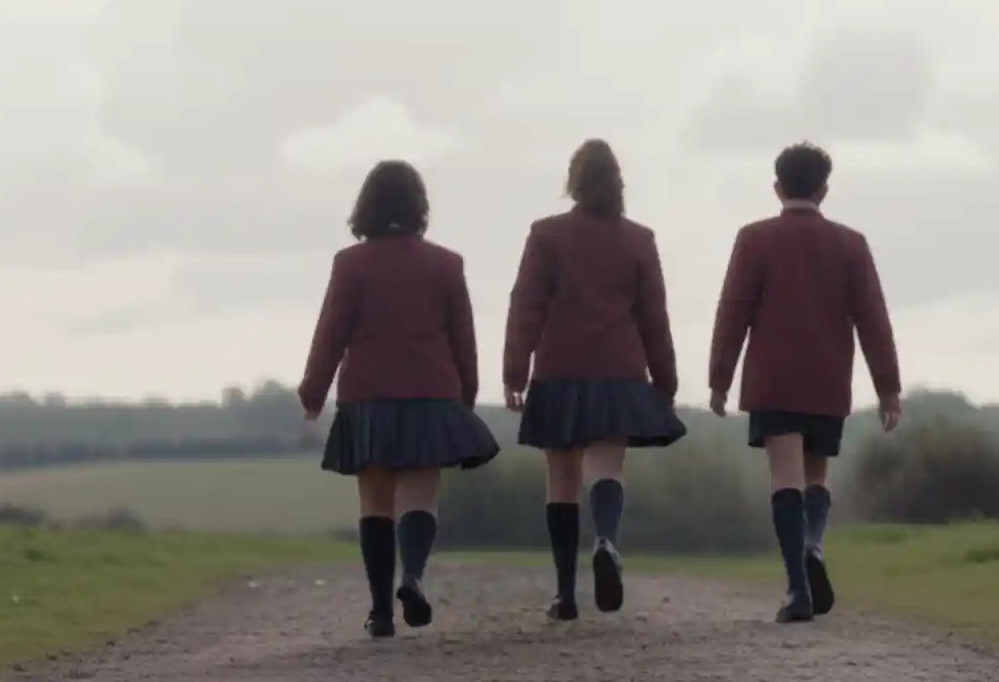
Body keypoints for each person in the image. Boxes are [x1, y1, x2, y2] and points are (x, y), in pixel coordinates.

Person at [298, 160, 500, 639]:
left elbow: (331, 333)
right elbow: (463, 338)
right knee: (420, 495)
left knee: (375, 499)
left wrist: (313, 391)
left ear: (365, 207)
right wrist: (466, 395)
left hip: (367, 396)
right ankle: (412, 576)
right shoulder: (446, 264)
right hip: (431, 392)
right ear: (419, 208)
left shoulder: (351, 263)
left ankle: (380, 613)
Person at [708, 142, 902, 623]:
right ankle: (814, 544)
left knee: (784, 478)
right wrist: (888, 388)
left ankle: (797, 588)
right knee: (816, 476)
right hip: (827, 379)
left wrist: (719, 379)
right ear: (824, 190)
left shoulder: (754, 238)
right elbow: (873, 319)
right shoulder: (851, 244)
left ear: (777, 188)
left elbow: (733, 312)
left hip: (773, 380)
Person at [503, 138, 687, 622]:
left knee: (562, 479)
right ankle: (606, 539)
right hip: (618, 372)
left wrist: (514, 370)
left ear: (574, 183)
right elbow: (654, 318)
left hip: (559, 370)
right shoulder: (639, 240)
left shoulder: (545, 235)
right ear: (617, 183)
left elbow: (526, 305)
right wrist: (665, 382)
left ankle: (565, 595)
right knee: (606, 467)